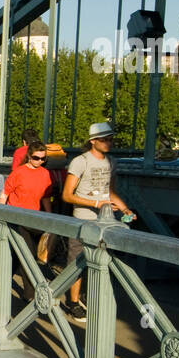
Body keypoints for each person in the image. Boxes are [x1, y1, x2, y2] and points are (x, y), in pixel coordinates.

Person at [60, 122, 136, 324]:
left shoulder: (112, 162)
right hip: (83, 220)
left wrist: (126, 209)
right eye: (104, 139)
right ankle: (73, 302)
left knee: (99, 261)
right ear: (93, 141)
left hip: (105, 221)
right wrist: (95, 202)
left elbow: (110, 192)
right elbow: (67, 195)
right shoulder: (80, 161)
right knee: (76, 262)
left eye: (111, 139)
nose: (109, 142)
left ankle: (88, 297)